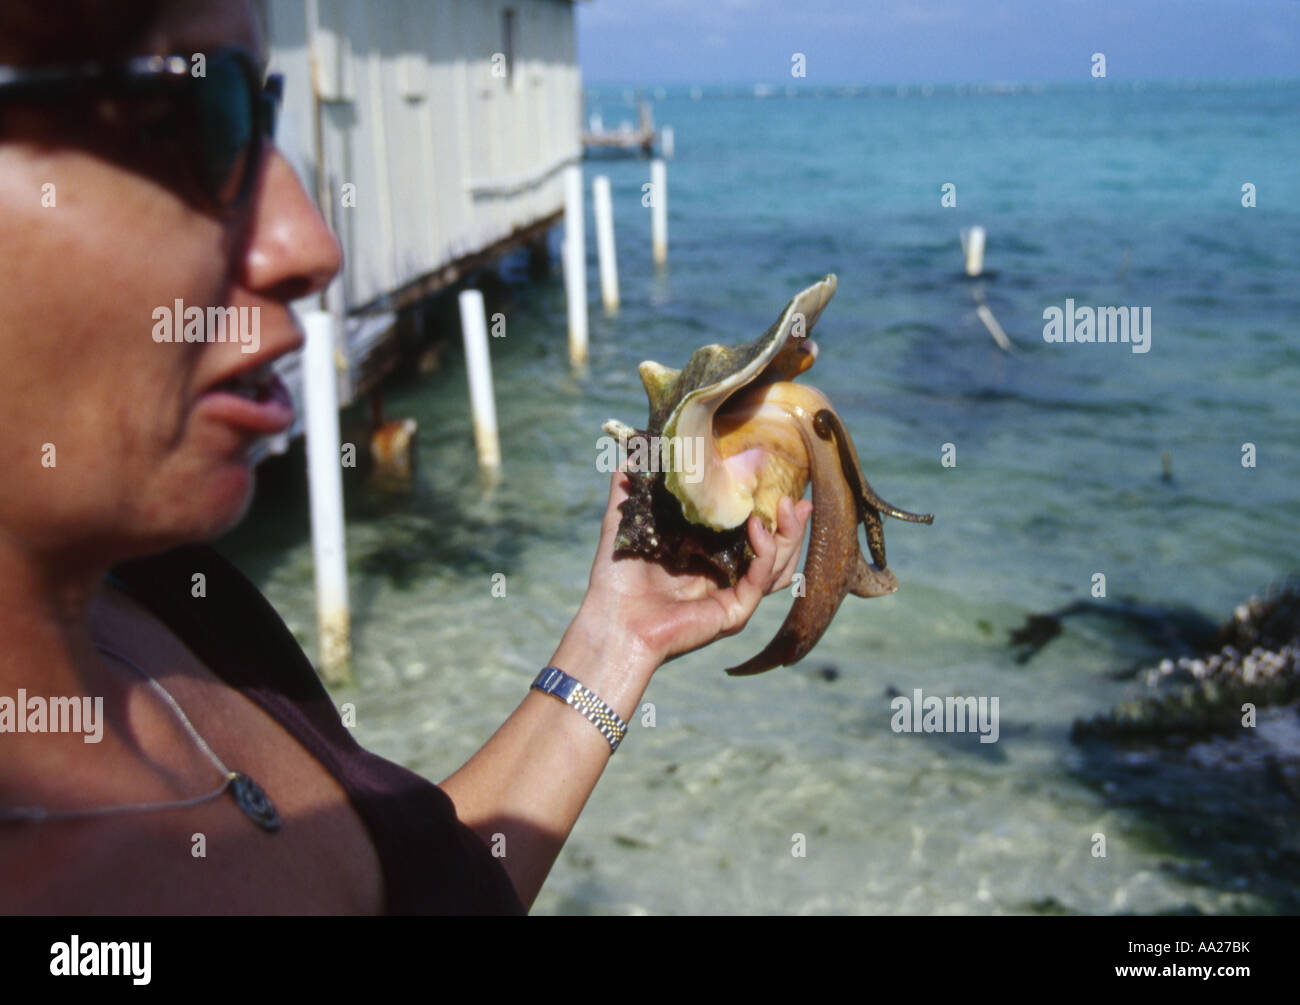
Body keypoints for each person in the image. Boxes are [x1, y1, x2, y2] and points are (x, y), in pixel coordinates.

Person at [0, 0, 813, 913]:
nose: (310, 243)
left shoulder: (181, 608)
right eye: (185, 112)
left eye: (259, 114)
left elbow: (421, 891)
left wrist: (617, 638)